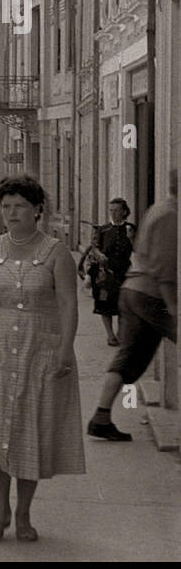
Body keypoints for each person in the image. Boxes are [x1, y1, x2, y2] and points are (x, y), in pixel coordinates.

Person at [0, 174, 83, 543]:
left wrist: (65, 349)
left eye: (20, 206)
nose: (11, 213)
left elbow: (68, 305)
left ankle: (23, 513)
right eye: (6, 206)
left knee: (30, 430)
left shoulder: (56, 253)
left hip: (41, 351)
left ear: (37, 210)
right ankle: (0, 508)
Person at [87, 169, 177, 442]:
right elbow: (165, 269)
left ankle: (100, 417)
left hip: (133, 291)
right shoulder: (171, 216)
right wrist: (174, 309)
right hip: (151, 296)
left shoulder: (158, 210)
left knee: (128, 358)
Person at [77, 198, 134, 347]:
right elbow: (94, 247)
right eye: (111, 210)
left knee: (123, 304)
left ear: (124, 212)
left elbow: (138, 249)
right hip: (105, 274)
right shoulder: (103, 229)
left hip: (124, 273)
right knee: (104, 304)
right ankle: (110, 335)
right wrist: (99, 254)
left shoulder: (131, 229)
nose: (113, 213)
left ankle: (121, 333)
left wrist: (131, 238)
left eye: (116, 210)